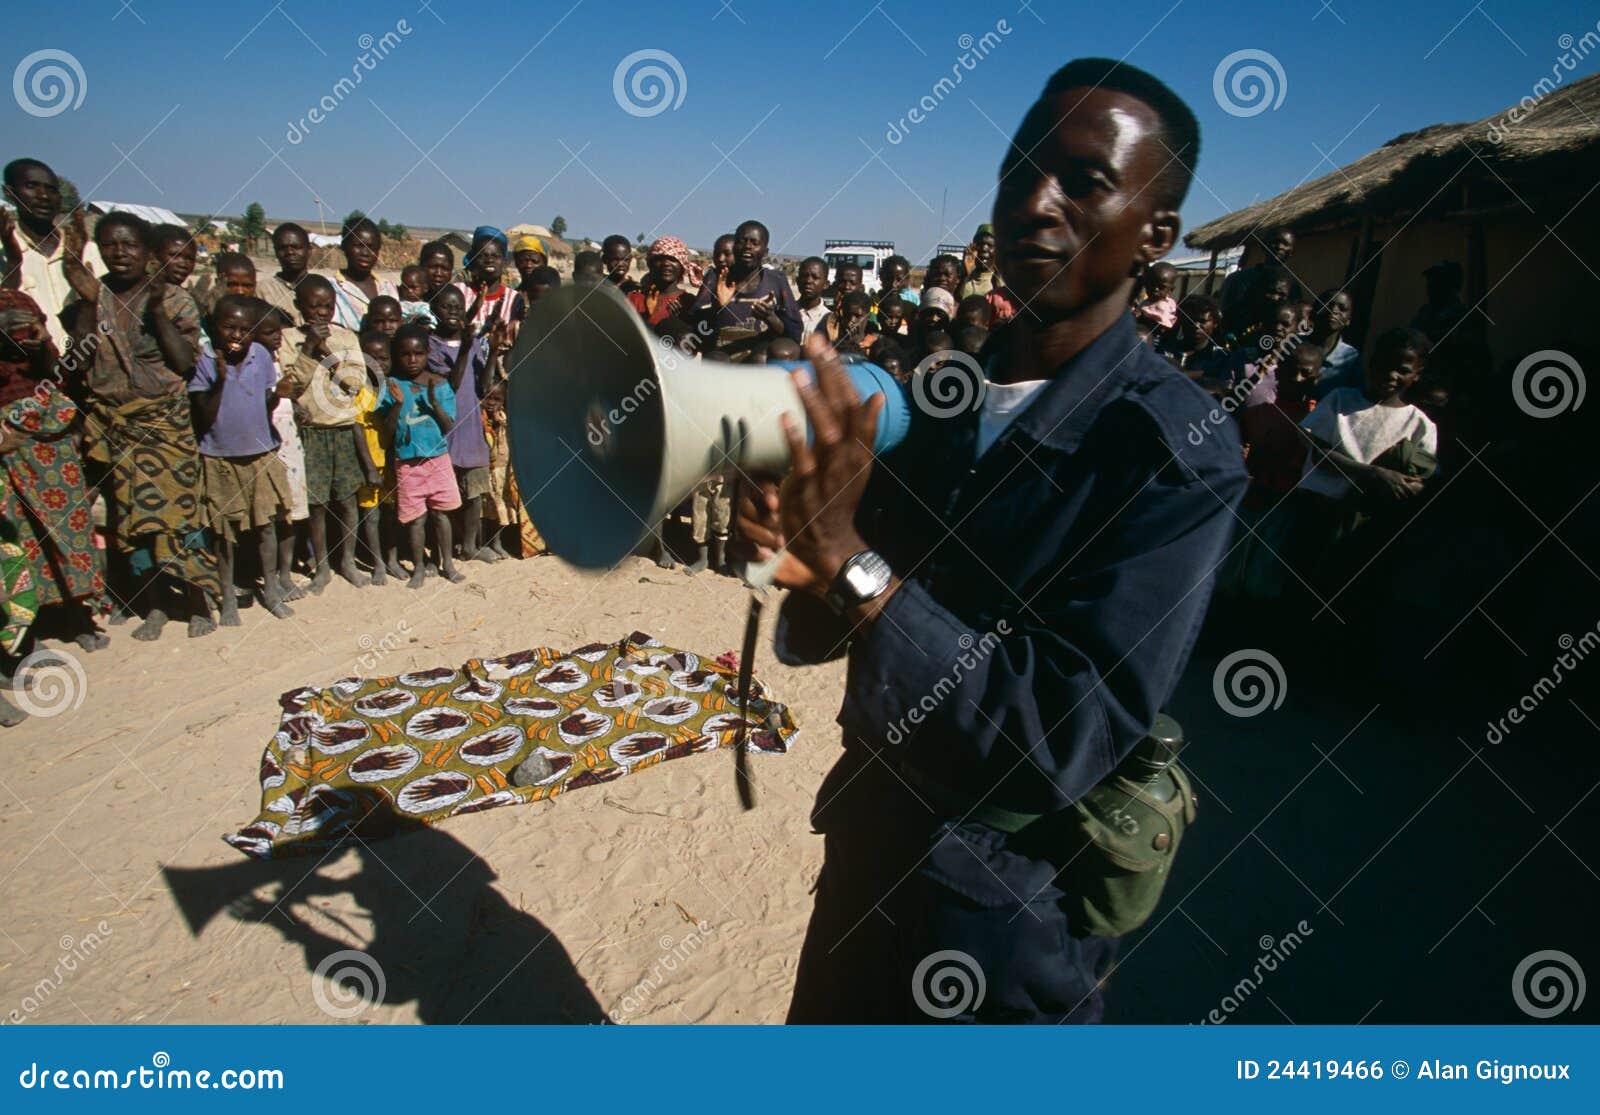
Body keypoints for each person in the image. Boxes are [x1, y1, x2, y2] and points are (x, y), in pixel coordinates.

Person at [737, 57, 1245, 1024]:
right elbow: (822, 637)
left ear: (1158, 234)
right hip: (867, 859)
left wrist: (849, 559)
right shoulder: (939, 395)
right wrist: (793, 547)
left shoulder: (1172, 446)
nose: (1033, 203)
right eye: (1020, 169)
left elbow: (1064, 733)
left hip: (1005, 919)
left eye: (1085, 182)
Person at [67, 211, 220, 640]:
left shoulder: (172, 300)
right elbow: (77, 357)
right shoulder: (89, 297)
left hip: (165, 424)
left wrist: (155, 313)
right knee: (129, 521)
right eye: (110, 245)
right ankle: (154, 603)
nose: (119, 253)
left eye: (129, 244)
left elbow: (185, 361)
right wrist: (84, 302)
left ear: (148, 252)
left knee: (182, 516)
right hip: (112, 427)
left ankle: (196, 600)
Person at [0, 289, 108, 670]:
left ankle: (78, 615)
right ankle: (29, 634)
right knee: (18, 540)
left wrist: (40, 341)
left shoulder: (19, 301)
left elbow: (56, 371)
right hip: (4, 440)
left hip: (47, 431)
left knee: (68, 530)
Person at [189, 294, 296, 624]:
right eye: (229, 327)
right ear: (215, 326)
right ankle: (228, 598)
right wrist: (221, 379)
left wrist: (278, 397)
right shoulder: (205, 360)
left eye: (245, 329)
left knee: (266, 527)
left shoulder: (261, 356)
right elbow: (203, 415)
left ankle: (273, 589)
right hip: (219, 456)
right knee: (225, 534)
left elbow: (263, 405)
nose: (236, 335)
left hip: (260, 454)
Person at [277, 273, 368, 593]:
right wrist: (308, 350)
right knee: (316, 503)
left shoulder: (345, 338)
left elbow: (355, 383)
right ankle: (322, 565)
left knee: (346, 500)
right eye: (313, 306)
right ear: (300, 306)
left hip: (342, 429)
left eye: (327, 306)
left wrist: (325, 351)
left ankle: (347, 560)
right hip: (310, 433)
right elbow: (290, 386)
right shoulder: (288, 339)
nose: (321, 313)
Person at [376, 323, 463, 587]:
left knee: (442, 514)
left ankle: (447, 563)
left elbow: (449, 426)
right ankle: (418, 569)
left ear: (427, 353)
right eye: (405, 354)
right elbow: (387, 432)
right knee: (416, 520)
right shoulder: (392, 385)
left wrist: (435, 404)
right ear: (397, 355)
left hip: (437, 460)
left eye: (418, 353)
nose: (412, 360)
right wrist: (399, 404)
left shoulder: (440, 383)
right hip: (407, 462)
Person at [428, 286, 503, 564]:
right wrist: (466, 347)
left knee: (474, 492)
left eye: (458, 307)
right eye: (447, 307)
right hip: (445, 429)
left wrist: (492, 351)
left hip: (471, 428)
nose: (453, 313)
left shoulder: (472, 343)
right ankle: (443, 549)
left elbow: (484, 386)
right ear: (434, 310)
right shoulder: (431, 345)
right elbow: (452, 384)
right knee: (443, 496)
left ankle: (470, 545)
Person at [1, 159, 104, 350]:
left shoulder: (90, 253)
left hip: (89, 369)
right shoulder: (5, 255)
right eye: (32, 186)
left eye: (51, 189)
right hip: (32, 374)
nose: (44, 196)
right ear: (9, 192)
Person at [249, 301, 309, 601]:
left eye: (277, 330)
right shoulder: (247, 363)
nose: (277, 337)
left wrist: (295, 404)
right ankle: (268, 578)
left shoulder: (279, 360)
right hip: (263, 447)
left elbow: (293, 393)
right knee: (267, 519)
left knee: (292, 513)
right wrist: (276, 397)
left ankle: (284, 574)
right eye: (268, 331)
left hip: (290, 443)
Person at [690, 220, 801, 359]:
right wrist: (717, 308)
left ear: (765, 252)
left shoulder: (776, 281)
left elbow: (795, 334)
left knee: (763, 356)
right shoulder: (716, 278)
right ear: (735, 247)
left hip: (760, 355)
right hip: (722, 352)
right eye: (742, 241)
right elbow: (695, 326)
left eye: (754, 243)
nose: (747, 246)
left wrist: (770, 317)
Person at [355, 328, 396, 585]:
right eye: (372, 358)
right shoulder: (360, 391)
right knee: (371, 515)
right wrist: (369, 466)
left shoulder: (394, 388)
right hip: (369, 463)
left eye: (383, 358)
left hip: (392, 462)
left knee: (391, 513)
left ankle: (391, 559)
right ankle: (377, 562)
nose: (378, 364)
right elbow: (357, 427)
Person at [1218, 226, 1298, 334]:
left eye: (1285, 244)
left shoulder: (1293, 285)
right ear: (1263, 246)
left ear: (1292, 251)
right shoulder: (1238, 279)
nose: (1279, 247)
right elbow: (1226, 314)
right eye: (1275, 242)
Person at [330, 217, 398, 332]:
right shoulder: (330, 288)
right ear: (344, 246)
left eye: (372, 247)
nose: (366, 253)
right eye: (359, 246)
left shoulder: (389, 287)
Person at [457, 227, 522, 336]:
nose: (489, 260)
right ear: (473, 260)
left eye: (495, 256)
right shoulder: (459, 291)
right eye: (483, 256)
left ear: (504, 262)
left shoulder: (514, 299)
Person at [1304, 289, 1362, 400]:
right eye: (1326, 304)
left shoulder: (1350, 357)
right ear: (1313, 311)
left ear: (1348, 320)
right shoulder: (1293, 343)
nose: (1333, 310)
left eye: (1342, 308)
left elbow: (1353, 397)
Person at [627, 237, 696, 328]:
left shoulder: (690, 302)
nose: (666, 263)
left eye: (673, 259)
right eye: (660, 258)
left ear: (682, 266)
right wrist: (647, 316)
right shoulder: (634, 299)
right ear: (651, 265)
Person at [257, 222, 315, 320]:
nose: (290, 252)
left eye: (296, 247)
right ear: (276, 252)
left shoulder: (322, 287)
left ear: (309, 250)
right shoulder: (263, 290)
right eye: (282, 248)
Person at [1410, 259, 1476, 343]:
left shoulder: (1462, 317)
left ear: (1453, 285)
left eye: (1438, 280)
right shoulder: (1424, 312)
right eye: (1430, 280)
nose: (1430, 286)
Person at [1174, 292, 1229, 379]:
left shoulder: (1222, 357)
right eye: (1191, 320)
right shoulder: (1168, 351)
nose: (1196, 325)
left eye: (1202, 321)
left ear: (1215, 323)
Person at [1133, 261, 1178, 349]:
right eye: (1152, 284)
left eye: (1161, 287)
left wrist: (1139, 314)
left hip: (1156, 340)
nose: (1155, 289)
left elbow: (1164, 323)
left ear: (1171, 289)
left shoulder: (1164, 305)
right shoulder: (1147, 302)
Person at [959, 225, 1001, 299]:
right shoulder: (962, 280)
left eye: (990, 245)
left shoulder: (1002, 281)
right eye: (980, 244)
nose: (984, 249)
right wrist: (965, 275)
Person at [795, 257, 830, 340]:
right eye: (804, 276)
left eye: (815, 277)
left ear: (826, 284)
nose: (808, 281)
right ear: (797, 281)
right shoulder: (786, 312)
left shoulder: (829, 319)